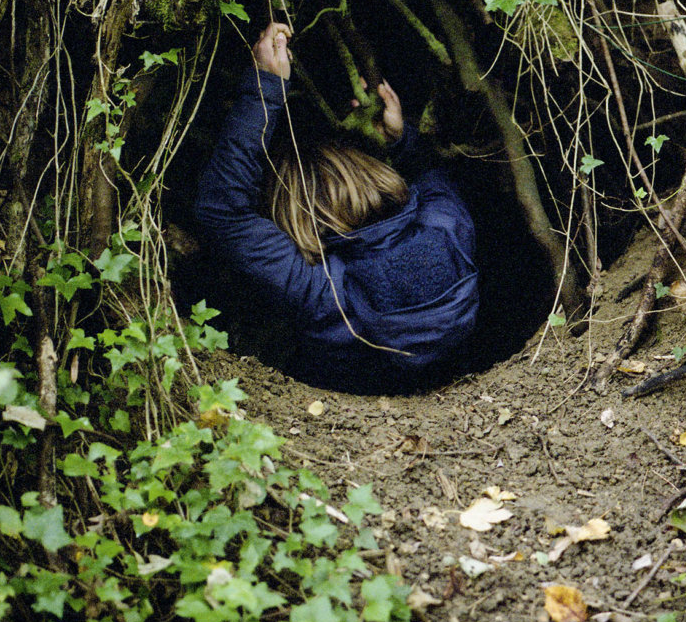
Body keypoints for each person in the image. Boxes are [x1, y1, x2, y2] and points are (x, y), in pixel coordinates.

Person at [194, 22, 479, 392]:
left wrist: (264, 91)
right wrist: (399, 138)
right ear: (371, 170)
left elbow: (222, 212)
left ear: (295, 215)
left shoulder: (322, 292)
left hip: (352, 406)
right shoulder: (446, 227)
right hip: (457, 370)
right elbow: (430, 174)